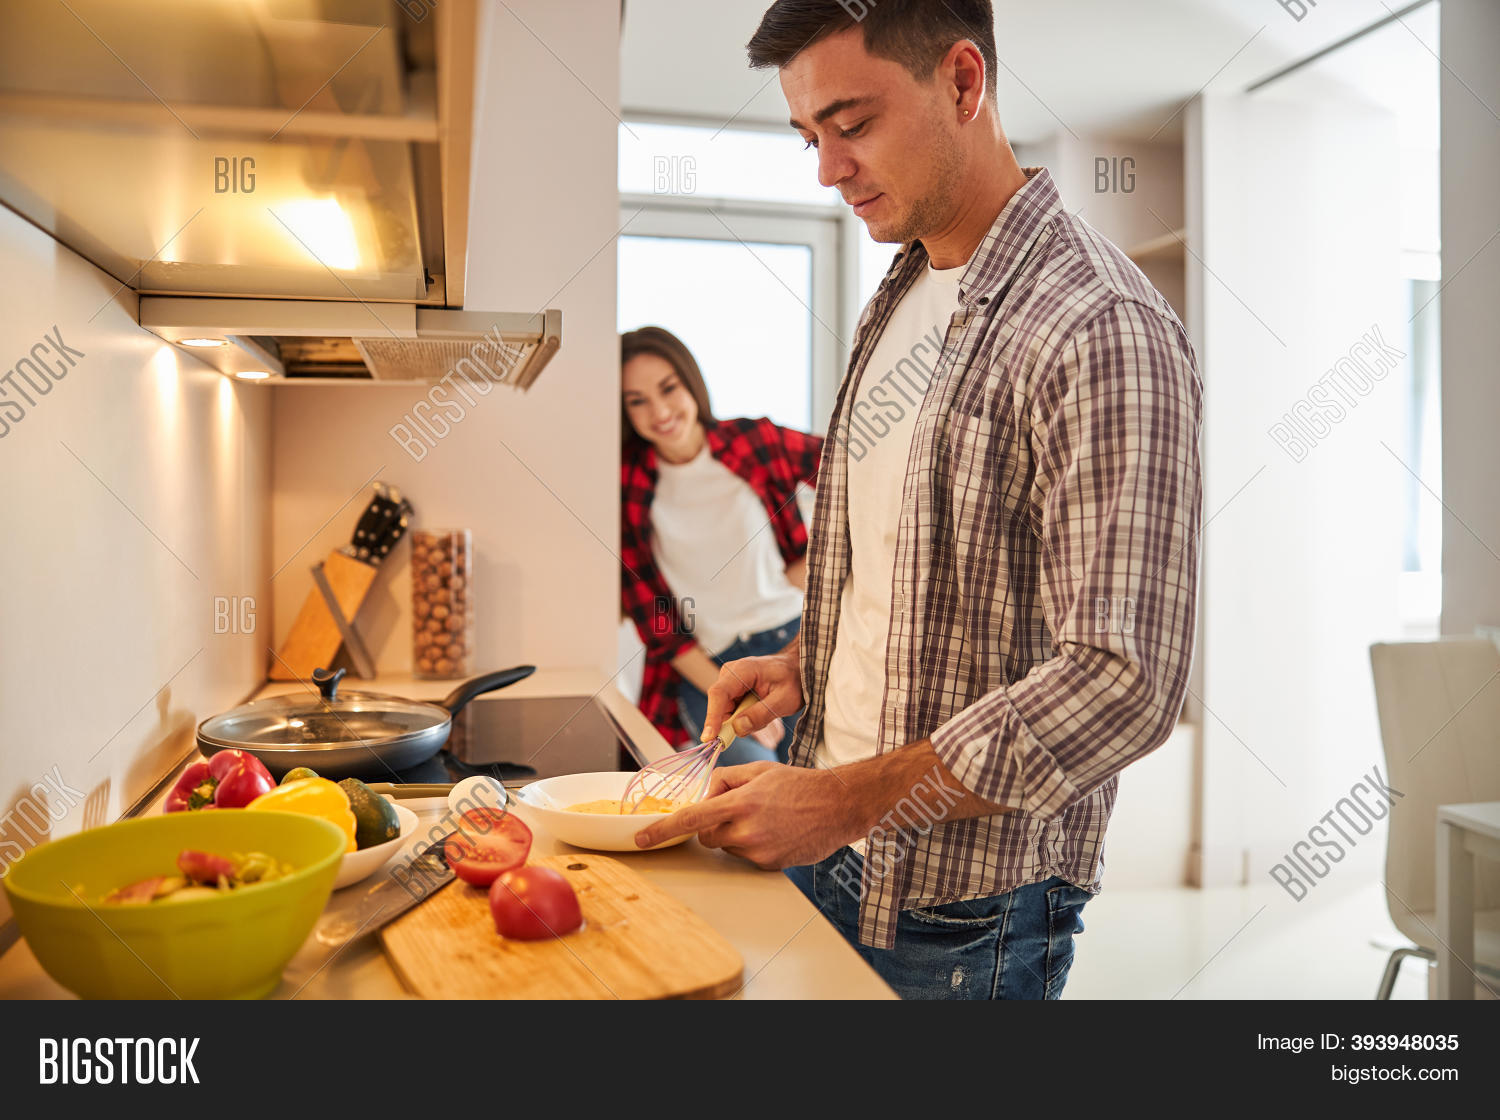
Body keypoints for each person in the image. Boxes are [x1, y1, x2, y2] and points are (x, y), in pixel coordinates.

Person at [635, 0, 1203, 1001]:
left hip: (966, 914)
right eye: (810, 136)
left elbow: (1126, 681)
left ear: (964, 82)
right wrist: (805, 665)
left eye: (852, 124)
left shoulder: (1099, 326)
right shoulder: (899, 292)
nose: (826, 168)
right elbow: (905, 574)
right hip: (826, 847)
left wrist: (847, 802)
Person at [619, 326, 824, 765]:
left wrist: (819, 562)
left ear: (690, 383)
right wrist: (734, 695)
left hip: (799, 646)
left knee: (831, 790)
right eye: (637, 400)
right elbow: (662, 632)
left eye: (667, 388)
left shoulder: (754, 441)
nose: (658, 410)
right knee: (757, 790)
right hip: (714, 671)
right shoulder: (627, 489)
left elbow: (856, 471)